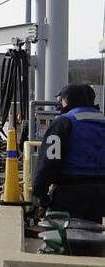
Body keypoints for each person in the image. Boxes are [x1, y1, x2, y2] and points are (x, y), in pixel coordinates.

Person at [33, 83, 105, 221]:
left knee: (64, 237)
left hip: (70, 193)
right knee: (94, 236)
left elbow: (49, 162)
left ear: (66, 101)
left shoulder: (64, 122)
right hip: (101, 193)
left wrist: (40, 196)